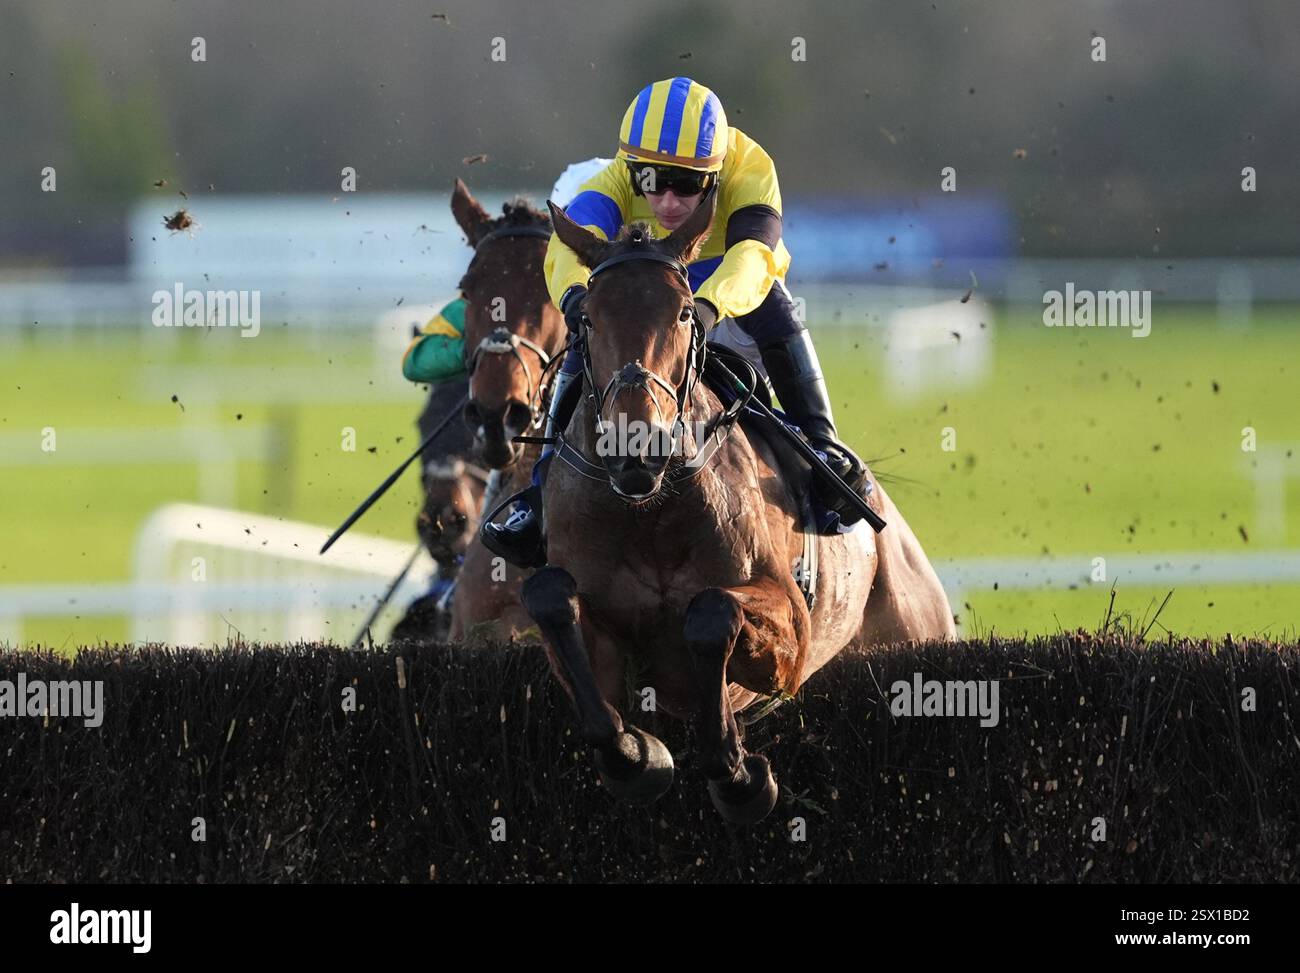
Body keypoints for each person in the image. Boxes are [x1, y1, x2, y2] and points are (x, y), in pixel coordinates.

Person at [482, 77, 870, 568]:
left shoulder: (750, 167)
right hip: (652, 308)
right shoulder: (614, 179)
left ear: (716, 172)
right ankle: (541, 496)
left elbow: (753, 255)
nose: (666, 201)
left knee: (773, 303)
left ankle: (823, 448)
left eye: (686, 185)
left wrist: (705, 309)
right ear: (630, 167)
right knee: (596, 327)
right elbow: (565, 244)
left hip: (735, 298)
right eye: (650, 181)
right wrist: (577, 299)